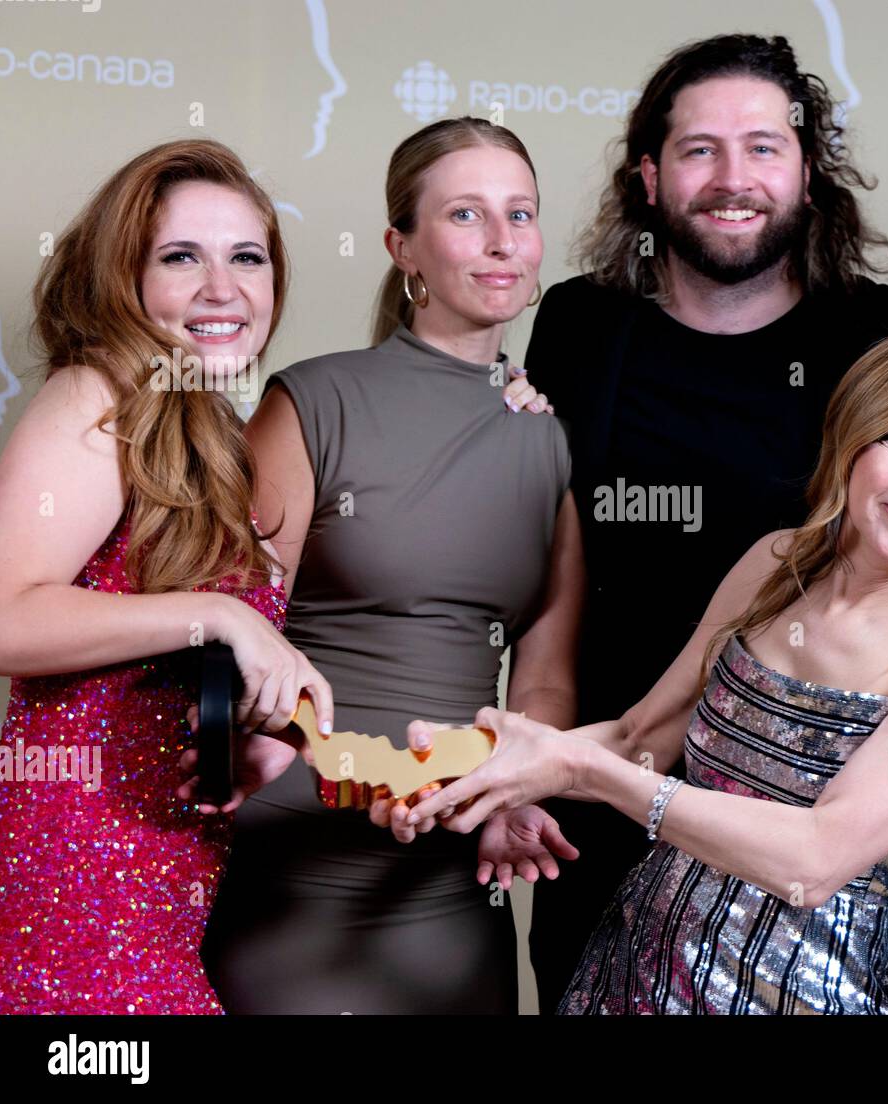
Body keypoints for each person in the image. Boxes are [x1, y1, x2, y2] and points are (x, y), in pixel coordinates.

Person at [386, 321, 888, 1014]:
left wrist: (578, 770)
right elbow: (639, 738)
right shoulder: (776, 565)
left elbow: (813, 862)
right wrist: (478, 765)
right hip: (629, 975)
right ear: (851, 440)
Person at [523, 32, 888, 1011]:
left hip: (823, 891)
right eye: (699, 150)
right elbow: (549, 574)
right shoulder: (580, 325)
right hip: (605, 803)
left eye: (764, 147)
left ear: (808, 174)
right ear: (648, 177)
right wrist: (535, 758)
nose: (732, 178)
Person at [199, 118, 583, 1014]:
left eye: (519, 214)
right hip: (296, 876)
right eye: (465, 214)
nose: (501, 242)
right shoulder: (314, 398)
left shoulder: (548, 436)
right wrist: (347, 764)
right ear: (401, 245)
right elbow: (225, 628)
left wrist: (505, 792)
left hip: (453, 889)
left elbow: (547, 676)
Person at [0, 140, 335, 1013]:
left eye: (247, 258)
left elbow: (153, 656)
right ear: (125, 276)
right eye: (181, 257)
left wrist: (245, 734)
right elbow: (6, 617)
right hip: (74, 904)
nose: (222, 289)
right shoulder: (94, 396)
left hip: (166, 895)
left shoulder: (209, 435)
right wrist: (222, 616)